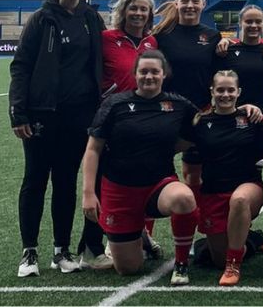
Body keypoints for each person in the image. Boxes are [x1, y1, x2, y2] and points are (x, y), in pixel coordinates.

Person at [10, 0, 105, 277]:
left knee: (65, 183)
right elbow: (20, 66)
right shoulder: (41, 18)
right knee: (35, 180)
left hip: (79, 117)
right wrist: (18, 112)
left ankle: (61, 251)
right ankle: (29, 253)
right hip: (40, 116)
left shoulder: (92, 19)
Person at [80, 50, 200, 286]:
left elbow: (202, 126)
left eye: (155, 71)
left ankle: (181, 263)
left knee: (184, 198)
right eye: (143, 71)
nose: (149, 76)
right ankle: (140, 235)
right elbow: (93, 149)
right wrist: (88, 193)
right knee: (128, 269)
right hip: (119, 189)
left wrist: (247, 109)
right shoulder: (114, 104)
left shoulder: (178, 104)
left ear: (164, 74)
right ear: (134, 74)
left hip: (158, 185)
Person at [79, 0, 158, 268]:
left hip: (141, 123)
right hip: (110, 121)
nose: (138, 13)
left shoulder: (151, 42)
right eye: (133, 8)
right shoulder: (106, 40)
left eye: (144, 9)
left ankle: (140, 236)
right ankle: (91, 247)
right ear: (123, 11)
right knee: (103, 183)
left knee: (138, 182)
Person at [182, 71, 263, 286]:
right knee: (216, 259)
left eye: (231, 90)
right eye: (220, 90)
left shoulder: (251, 118)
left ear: (239, 92)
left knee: (239, 200)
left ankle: (234, 266)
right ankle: (252, 239)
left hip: (248, 189)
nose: (226, 94)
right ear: (212, 91)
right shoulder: (200, 123)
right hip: (213, 192)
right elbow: (184, 157)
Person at [151, 0, 219, 110]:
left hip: (201, 108)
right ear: (177, 4)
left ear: (203, 4)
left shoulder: (214, 37)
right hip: (167, 108)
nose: (190, 5)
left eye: (195, 1)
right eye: (185, 0)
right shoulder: (161, 35)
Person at [214, 5, 263, 115]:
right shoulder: (226, 51)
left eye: (258, 21)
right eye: (248, 21)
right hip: (232, 115)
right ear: (240, 23)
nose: (254, 25)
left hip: (262, 114)